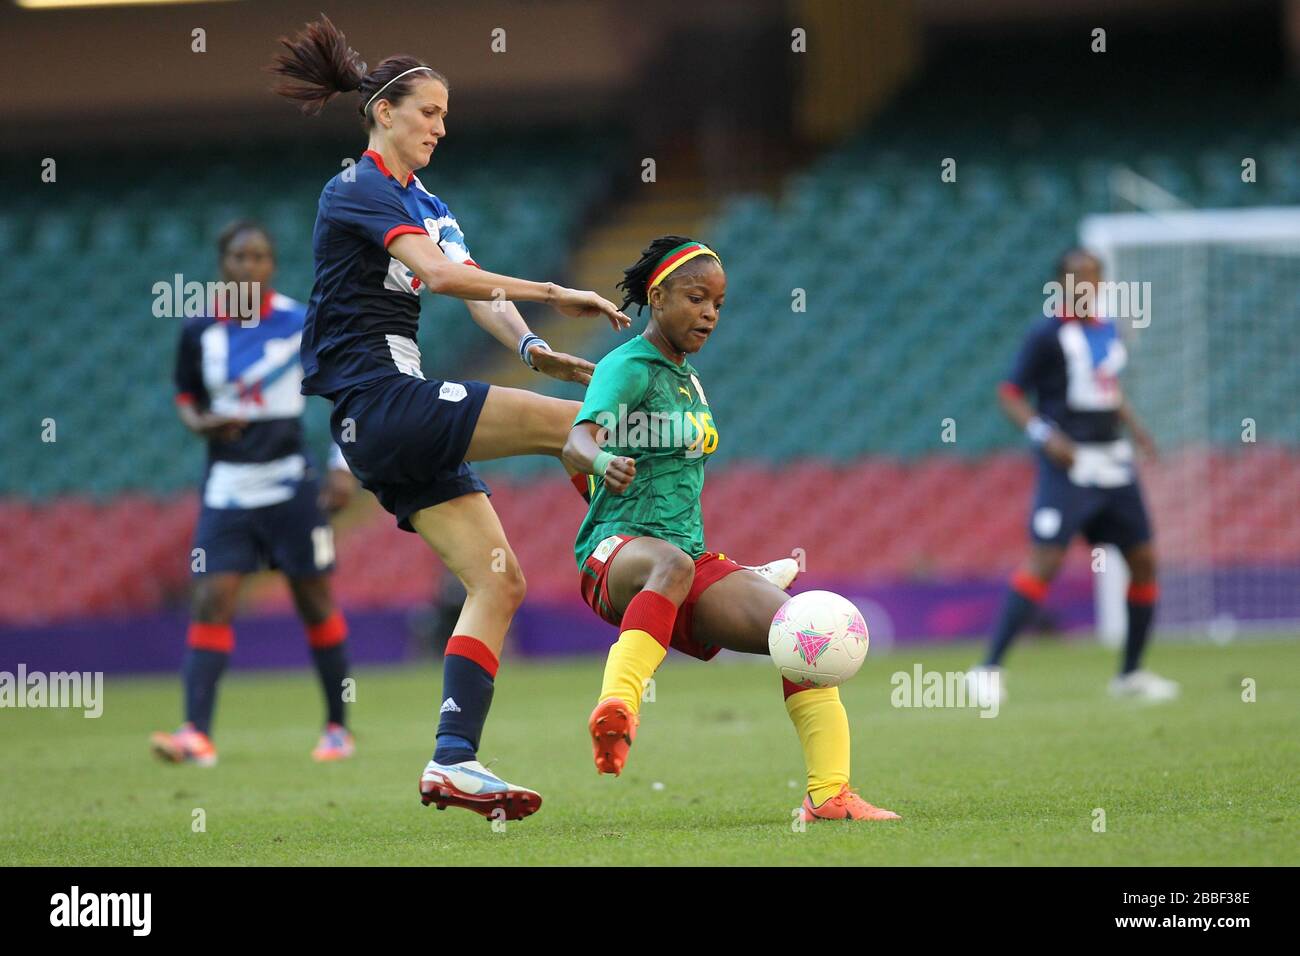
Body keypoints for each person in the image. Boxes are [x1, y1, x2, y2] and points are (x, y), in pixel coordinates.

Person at [268, 15, 632, 821]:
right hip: (383, 403)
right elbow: (435, 274)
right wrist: (557, 289)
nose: (440, 126)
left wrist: (535, 347)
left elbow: (478, 289)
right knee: (581, 428)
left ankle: (453, 763)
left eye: (444, 114)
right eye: (427, 112)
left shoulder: (424, 199)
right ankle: (652, 572)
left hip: (386, 425)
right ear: (383, 113)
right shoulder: (358, 187)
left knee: (497, 581)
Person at [562, 236, 900, 822]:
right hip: (615, 552)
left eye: (718, 304)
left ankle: (829, 796)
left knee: (802, 633)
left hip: (685, 558)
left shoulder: (687, 378)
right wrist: (599, 466)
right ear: (658, 295)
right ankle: (617, 705)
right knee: (671, 563)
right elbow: (576, 439)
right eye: (696, 299)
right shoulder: (627, 366)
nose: (709, 314)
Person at [151, 220, 358, 768]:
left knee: (313, 599)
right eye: (239, 256)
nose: (249, 266)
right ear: (223, 264)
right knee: (213, 598)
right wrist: (200, 422)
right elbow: (186, 398)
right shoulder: (199, 332)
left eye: (260, 256)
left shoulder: (299, 323)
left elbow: (344, 392)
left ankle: (338, 727)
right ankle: (197, 733)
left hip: (291, 482)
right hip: (228, 488)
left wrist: (342, 464)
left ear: (272, 265)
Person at [970, 248, 1178, 702]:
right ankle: (987, 670)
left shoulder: (1110, 330)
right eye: (1077, 278)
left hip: (1115, 462)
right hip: (1070, 465)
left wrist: (1138, 429)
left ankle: (1130, 674)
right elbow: (1009, 395)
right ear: (1061, 284)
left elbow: (1108, 386)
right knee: (1045, 560)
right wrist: (1046, 435)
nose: (1087, 286)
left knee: (1143, 560)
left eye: (1094, 277)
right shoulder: (1046, 335)